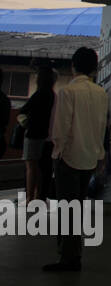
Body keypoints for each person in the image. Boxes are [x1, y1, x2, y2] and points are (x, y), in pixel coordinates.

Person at [45, 47, 109, 272]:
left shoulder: (68, 92)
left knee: (66, 208)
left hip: (69, 158)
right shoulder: (101, 93)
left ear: (73, 65)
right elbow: (102, 126)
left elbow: (61, 128)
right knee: (78, 208)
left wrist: (57, 152)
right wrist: (99, 153)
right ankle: (75, 254)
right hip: (91, 157)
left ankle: (68, 258)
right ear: (94, 68)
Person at [18, 66, 56, 201]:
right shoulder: (52, 95)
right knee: (40, 169)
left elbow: (24, 109)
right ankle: (37, 196)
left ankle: (28, 197)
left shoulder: (39, 93)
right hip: (45, 135)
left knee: (30, 167)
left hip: (33, 134)